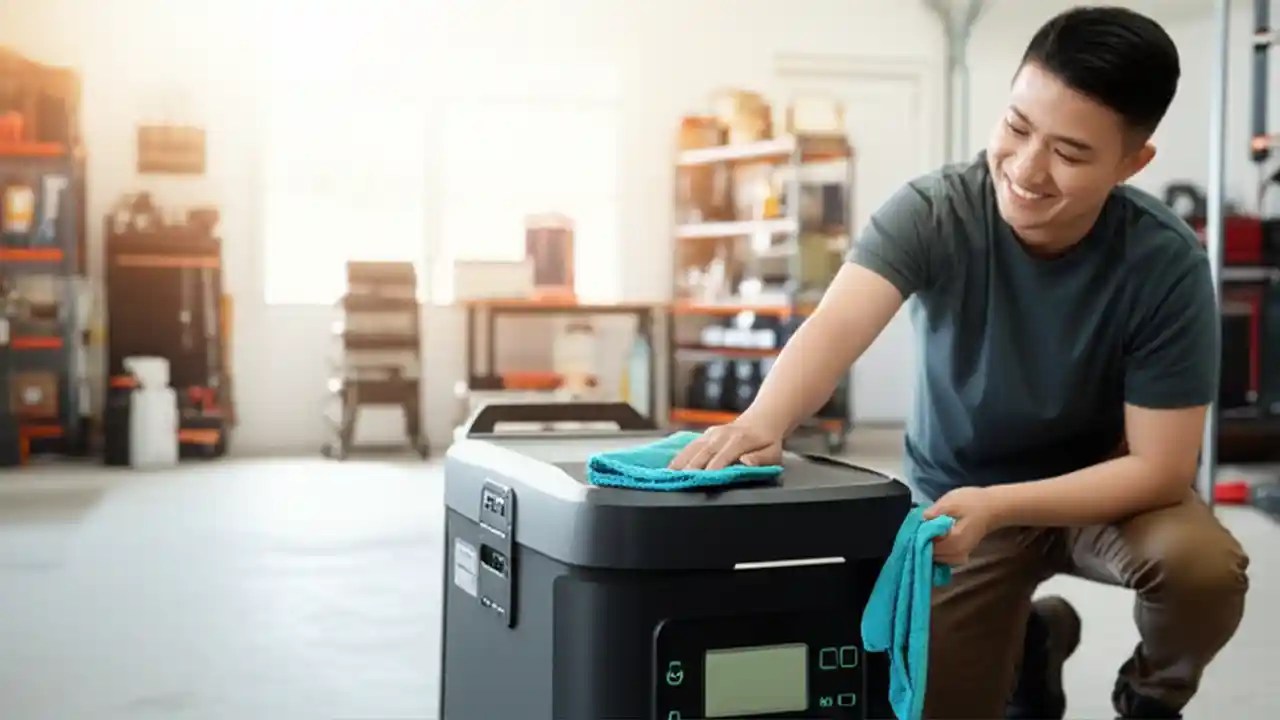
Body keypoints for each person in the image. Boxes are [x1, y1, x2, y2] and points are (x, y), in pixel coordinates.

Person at [668, 6, 1250, 719]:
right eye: (1015, 127)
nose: (1026, 170)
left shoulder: (1165, 262)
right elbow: (836, 327)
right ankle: (1035, 640)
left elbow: (1159, 470)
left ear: (1133, 163)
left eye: (1068, 154)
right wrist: (763, 422)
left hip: (1105, 496)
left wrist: (1004, 503)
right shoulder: (935, 212)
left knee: (1202, 570)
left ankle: (1151, 696)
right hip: (959, 498)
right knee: (924, 705)